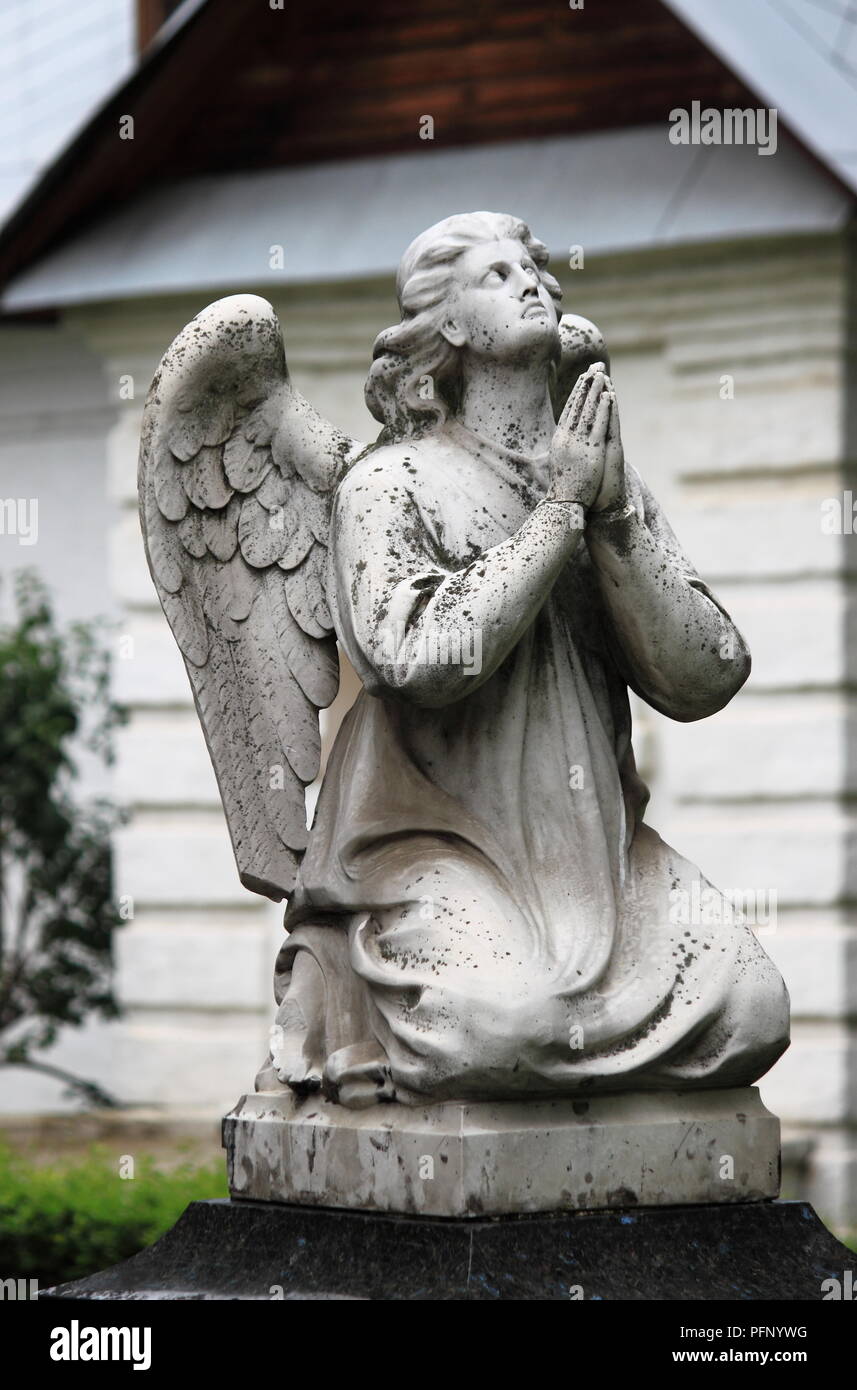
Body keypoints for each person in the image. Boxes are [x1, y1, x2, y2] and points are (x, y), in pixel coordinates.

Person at [259, 211, 789, 1108]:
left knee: (753, 1010)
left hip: (596, 853)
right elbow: (421, 657)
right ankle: (360, 1000)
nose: (533, 281)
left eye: (535, 267)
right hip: (435, 843)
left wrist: (611, 517)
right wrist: (557, 515)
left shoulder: (600, 476)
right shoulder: (390, 483)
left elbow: (704, 677)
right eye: (497, 275)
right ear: (450, 330)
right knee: (504, 1027)